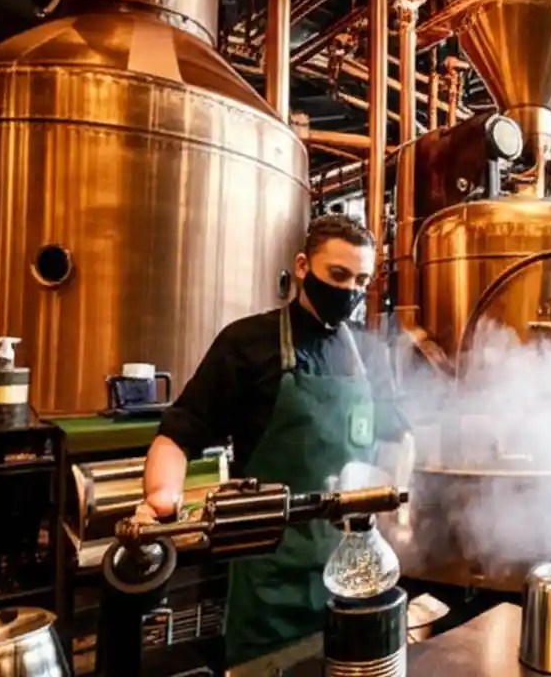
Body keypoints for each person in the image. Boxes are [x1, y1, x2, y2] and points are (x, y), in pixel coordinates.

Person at [138, 215, 414, 671]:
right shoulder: (247, 343)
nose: (350, 291)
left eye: (361, 280)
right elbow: (177, 435)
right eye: (338, 276)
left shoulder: (369, 354)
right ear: (303, 266)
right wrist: (161, 499)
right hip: (271, 580)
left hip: (353, 575)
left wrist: (397, 500)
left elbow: (397, 435)